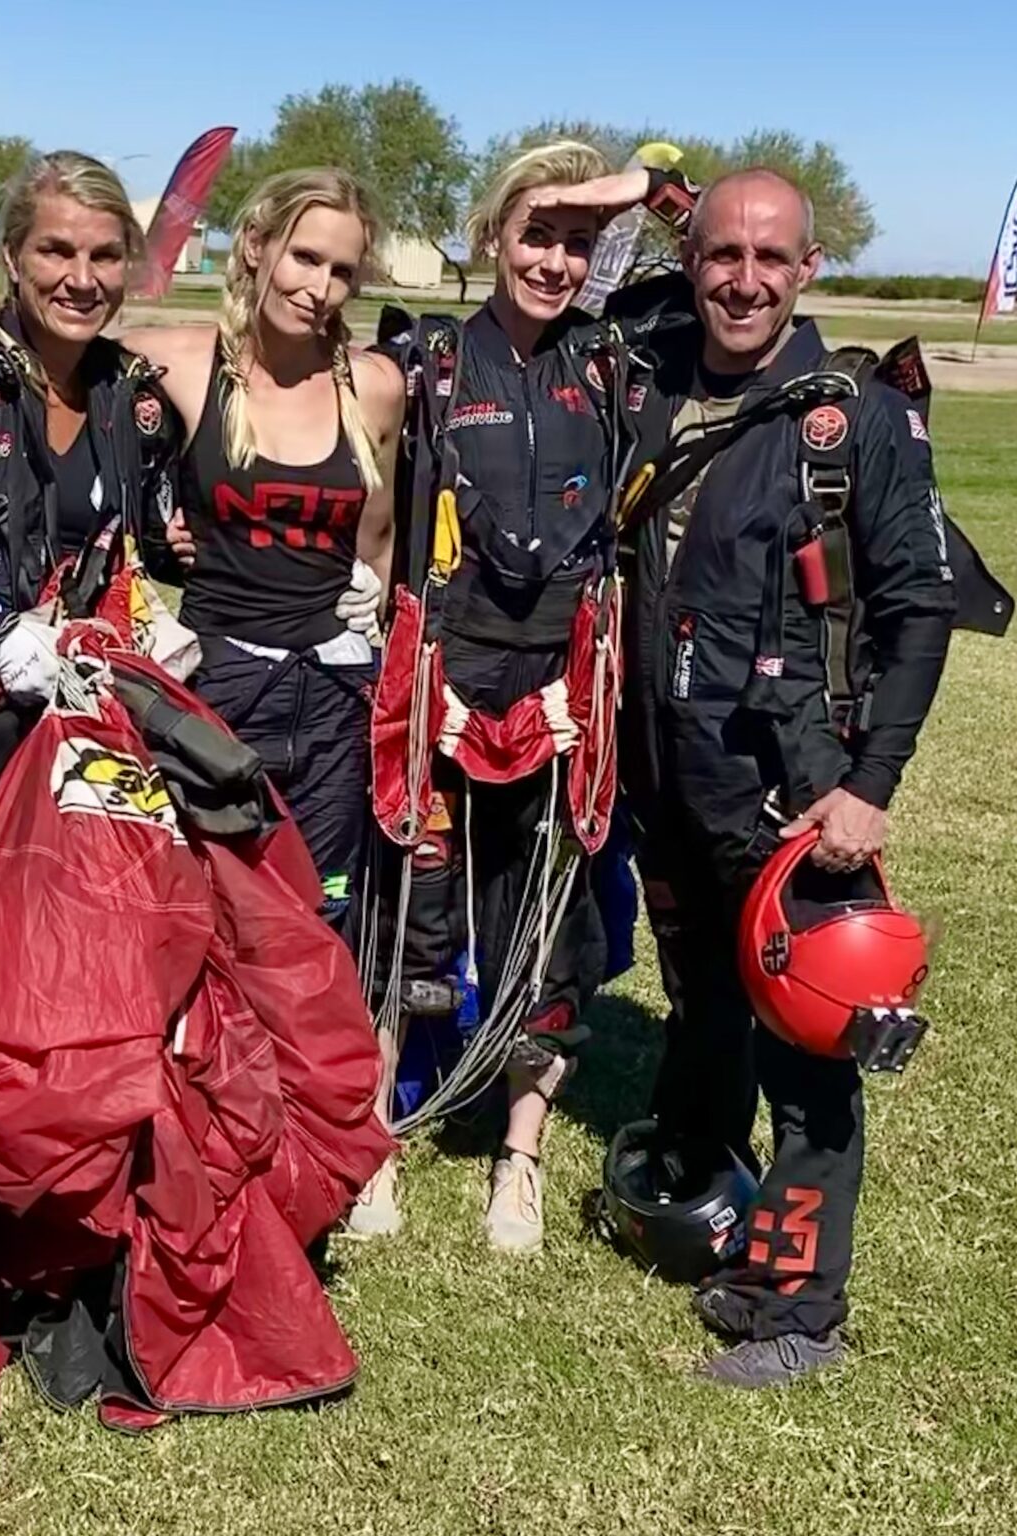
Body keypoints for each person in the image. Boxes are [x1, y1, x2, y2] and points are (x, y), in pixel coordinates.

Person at [573, 166, 956, 1383]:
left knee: (812, 1047)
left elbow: (922, 607)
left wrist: (872, 780)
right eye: (721, 255)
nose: (742, 279)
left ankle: (793, 1313)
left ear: (809, 269)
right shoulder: (656, 377)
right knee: (701, 999)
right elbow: (571, 300)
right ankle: (694, 1164)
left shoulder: (857, 422)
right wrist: (644, 187)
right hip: (668, 770)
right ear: (692, 262)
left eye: (769, 259)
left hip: (797, 789)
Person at [361, 142, 648, 1249]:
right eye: (535, 233)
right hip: (441, 665)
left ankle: (518, 1157)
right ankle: (377, 1138)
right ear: (490, 236)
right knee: (403, 913)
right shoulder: (423, 358)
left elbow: (729, 289)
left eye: (579, 242)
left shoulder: (615, 364)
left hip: (561, 676)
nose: (555, 260)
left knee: (544, 925)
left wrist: (609, 194)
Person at [123, 167, 405, 936]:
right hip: (219, 688)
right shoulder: (180, 362)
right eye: (304, 257)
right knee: (205, 912)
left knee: (320, 915)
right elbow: (48, 347)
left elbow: (377, 542)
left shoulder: (373, 385)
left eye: (341, 270)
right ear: (255, 245)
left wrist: (374, 601)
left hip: (334, 696)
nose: (319, 286)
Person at [0, 151, 179, 719]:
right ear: (13, 258)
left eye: (106, 256)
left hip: (76, 712)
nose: (83, 280)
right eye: (57, 251)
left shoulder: (134, 396)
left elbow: (158, 547)